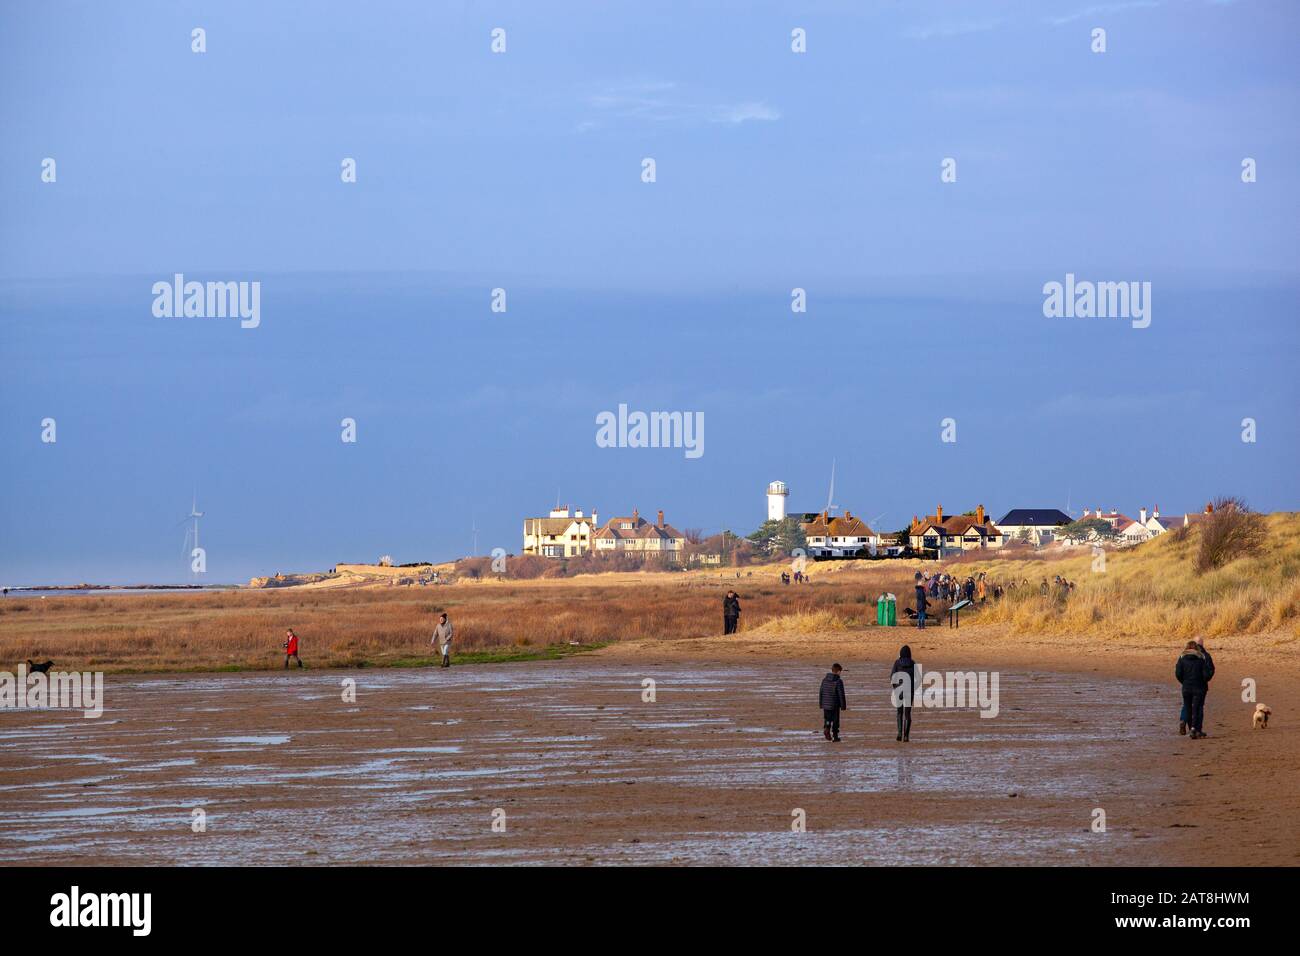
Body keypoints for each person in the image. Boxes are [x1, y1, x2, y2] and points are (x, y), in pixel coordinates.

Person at [1175, 639, 1214, 738]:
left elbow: (1178, 673)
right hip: (1199, 687)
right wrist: (1204, 680)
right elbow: (1206, 674)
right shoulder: (1201, 659)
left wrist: (1184, 682)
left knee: (1187, 707)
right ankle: (1195, 729)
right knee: (1198, 708)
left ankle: (1189, 727)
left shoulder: (1182, 658)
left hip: (1186, 687)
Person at [890, 645, 917, 742]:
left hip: (899, 691)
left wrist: (896, 688)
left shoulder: (897, 663)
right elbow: (918, 678)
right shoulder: (913, 663)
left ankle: (899, 733)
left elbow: (892, 677)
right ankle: (906, 736)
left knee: (899, 712)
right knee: (907, 714)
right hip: (909, 691)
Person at [819, 663, 847, 742]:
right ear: (838, 671)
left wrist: (821, 704)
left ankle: (827, 728)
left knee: (827, 718)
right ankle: (835, 736)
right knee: (835, 721)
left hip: (825, 704)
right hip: (835, 704)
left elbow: (821, 692)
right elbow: (841, 694)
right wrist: (843, 706)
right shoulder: (838, 681)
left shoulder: (824, 680)